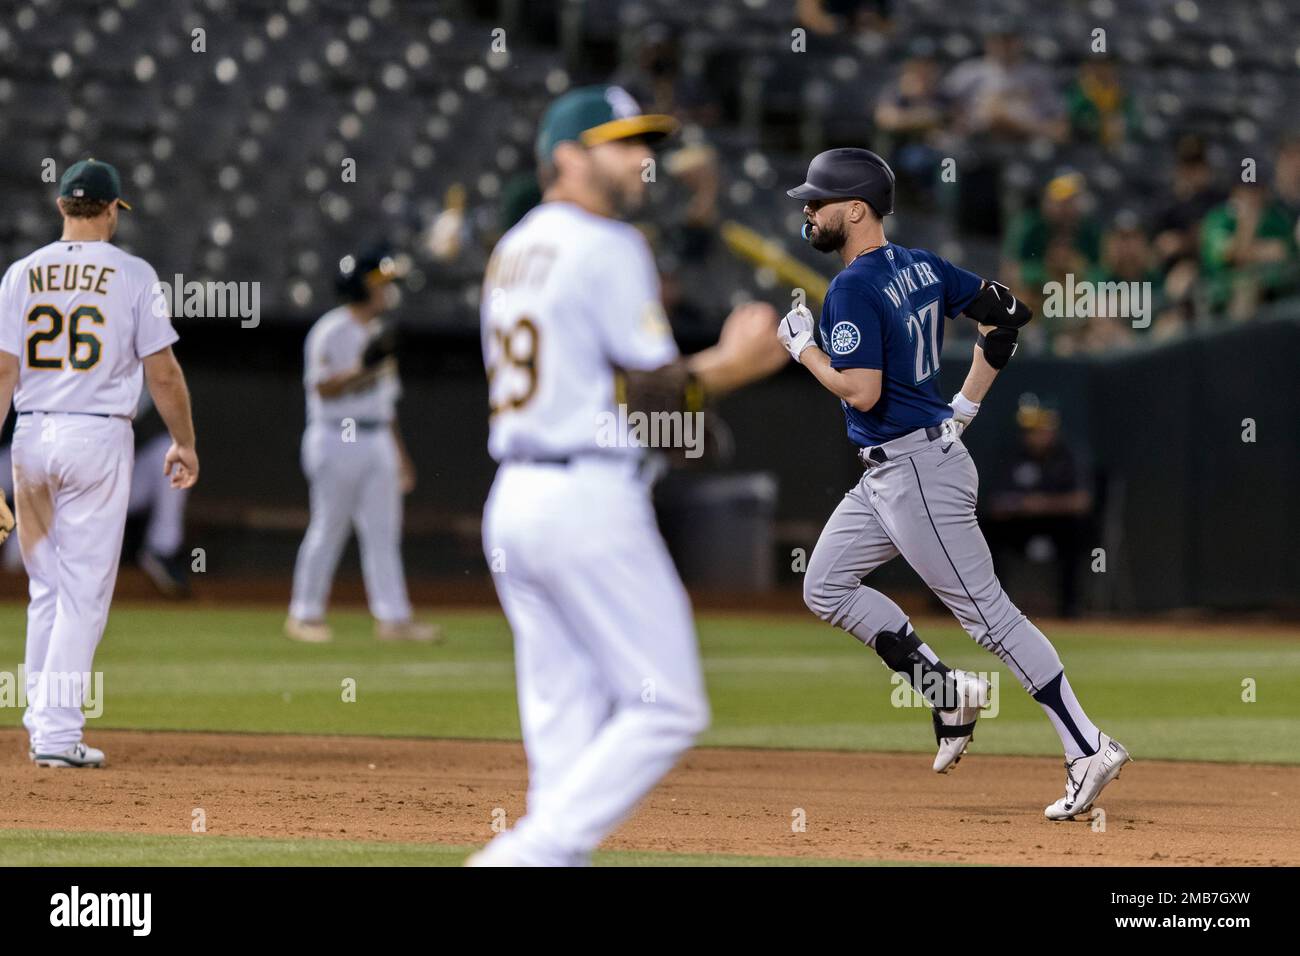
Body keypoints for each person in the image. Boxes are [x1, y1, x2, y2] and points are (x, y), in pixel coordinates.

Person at [469, 85, 785, 866]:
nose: (644, 159)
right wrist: (732, 367)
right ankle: (517, 858)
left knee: (565, 733)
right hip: (586, 498)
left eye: (647, 144)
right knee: (668, 705)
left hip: (516, 496)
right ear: (566, 157)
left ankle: (541, 852)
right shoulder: (606, 244)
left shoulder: (514, 247)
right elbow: (655, 401)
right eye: (622, 143)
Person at [778, 147, 1129, 820]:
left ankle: (1087, 745)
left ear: (855, 210)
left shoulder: (852, 286)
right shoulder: (920, 265)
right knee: (824, 586)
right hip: (898, 468)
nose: (808, 211)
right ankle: (945, 692)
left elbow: (860, 389)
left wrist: (804, 351)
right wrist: (963, 406)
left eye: (818, 201)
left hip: (914, 471)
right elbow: (1008, 314)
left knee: (989, 618)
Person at [0, 158, 199, 768]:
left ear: (62, 207)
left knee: (47, 588)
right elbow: (161, 372)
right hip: (96, 436)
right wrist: (184, 441)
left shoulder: (20, 273)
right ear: (112, 210)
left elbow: (4, 372)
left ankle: (42, 718)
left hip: (29, 437)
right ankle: (56, 735)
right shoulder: (133, 274)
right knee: (84, 592)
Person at [285, 249, 439, 644]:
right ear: (360, 288)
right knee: (328, 526)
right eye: (378, 285)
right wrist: (362, 369)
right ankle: (304, 614)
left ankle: (393, 618)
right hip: (335, 434)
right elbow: (322, 388)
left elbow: (386, 404)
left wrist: (400, 455)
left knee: (384, 532)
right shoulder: (331, 330)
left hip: (376, 437)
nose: (386, 292)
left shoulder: (377, 333)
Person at [984, 398, 1092, 618]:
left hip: (1059, 524)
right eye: (1031, 431)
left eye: (1041, 431)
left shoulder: (1067, 455)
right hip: (1020, 524)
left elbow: (1082, 501)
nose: (1036, 436)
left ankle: (1071, 609)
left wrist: (1042, 503)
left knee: (1080, 532)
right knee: (988, 528)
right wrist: (1020, 505)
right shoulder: (1013, 455)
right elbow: (995, 501)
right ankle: (993, 606)